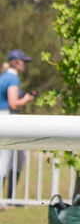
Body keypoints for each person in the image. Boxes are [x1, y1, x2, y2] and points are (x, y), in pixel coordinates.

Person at [0, 49, 35, 200]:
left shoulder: (4, 76)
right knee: (5, 159)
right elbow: (13, 104)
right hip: (8, 119)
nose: (25, 64)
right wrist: (26, 99)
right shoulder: (12, 79)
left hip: (4, 118)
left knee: (19, 157)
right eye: (23, 61)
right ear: (15, 62)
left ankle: (10, 196)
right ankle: (4, 199)